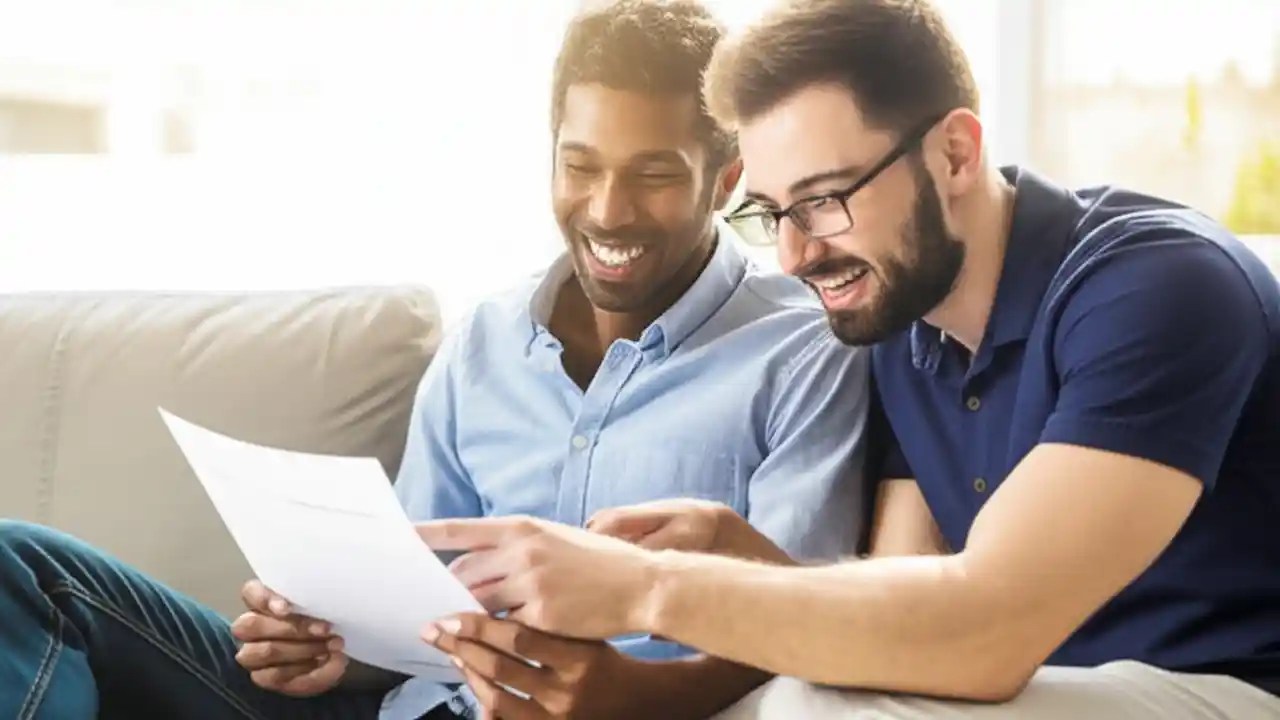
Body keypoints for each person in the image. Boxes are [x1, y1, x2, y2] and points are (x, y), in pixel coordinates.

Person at [0, 2, 873, 719]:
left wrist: (633, 698)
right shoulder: (486, 344)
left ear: (724, 180)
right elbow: (412, 617)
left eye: (654, 174)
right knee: (27, 570)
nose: (608, 210)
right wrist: (331, 647)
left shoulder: (803, 353)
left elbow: (804, 628)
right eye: (580, 166)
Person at [415, 0, 1280, 717]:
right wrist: (751, 560)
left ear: (955, 153)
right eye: (772, 213)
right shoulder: (903, 322)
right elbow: (907, 606)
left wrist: (646, 586)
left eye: (825, 202)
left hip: (1224, 686)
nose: (793, 257)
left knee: (807, 710)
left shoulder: (1155, 287)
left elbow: (985, 627)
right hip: (1043, 683)